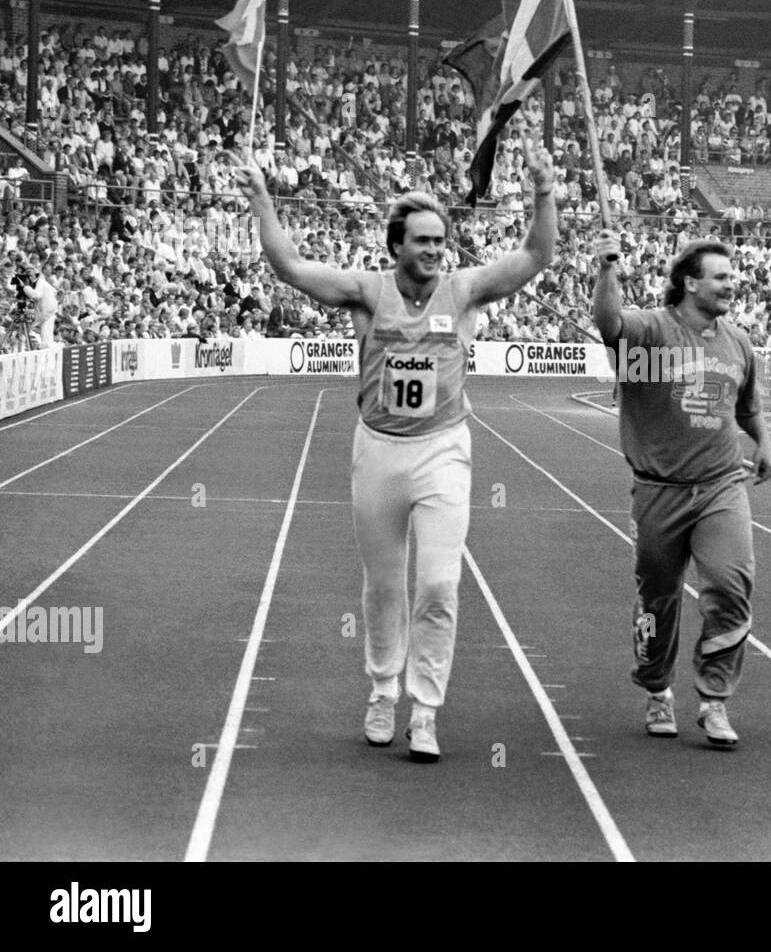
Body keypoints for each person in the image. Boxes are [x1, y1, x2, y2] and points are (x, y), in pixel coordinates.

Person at [234, 143, 556, 762]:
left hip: (442, 450)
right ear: (397, 246)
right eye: (423, 241)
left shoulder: (461, 293)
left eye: (441, 241)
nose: (435, 251)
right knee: (384, 585)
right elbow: (291, 268)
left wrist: (543, 194)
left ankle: (426, 707)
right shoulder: (365, 292)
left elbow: (536, 255)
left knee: (438, 582)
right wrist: (261, 199)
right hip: (378, 451)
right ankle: (383, 690)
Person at [591, 234, 771, 748]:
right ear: (690, 282)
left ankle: (714, 700)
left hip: (721, 487)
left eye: (732, 276)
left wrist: (763, 442)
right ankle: (656, 688)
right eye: (721, 276)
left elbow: (747, 405)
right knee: (657, 601)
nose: (732, 283)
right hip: (659, 491)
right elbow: (608, 325)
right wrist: (608, 271)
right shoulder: (651, 329)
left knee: (731, 587)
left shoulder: (736, 341)